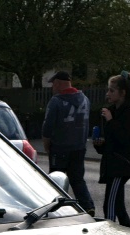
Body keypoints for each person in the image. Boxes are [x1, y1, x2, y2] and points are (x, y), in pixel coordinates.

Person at [92, 71, 130, 227]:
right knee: (118, 206)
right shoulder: (112, 111)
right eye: (108, 90)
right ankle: (127, 234)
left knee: (109, 206)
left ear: (122, 93)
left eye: (112, 90)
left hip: (121, 165)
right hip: (112, 162)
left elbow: (126, 139)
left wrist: (110, 121)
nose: (108, 94)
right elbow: (110, 141)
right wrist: (99, 145)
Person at [40, 70, 95, 213]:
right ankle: (88, 206)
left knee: (56, 180)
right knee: (77, 179)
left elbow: (48, 125)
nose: (52, 88)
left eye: (53, 84)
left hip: (60, 147)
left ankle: (54, 209)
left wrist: (46, 143)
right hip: (79, 146)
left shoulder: (56, 101)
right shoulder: (84, 99)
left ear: (58, 84)